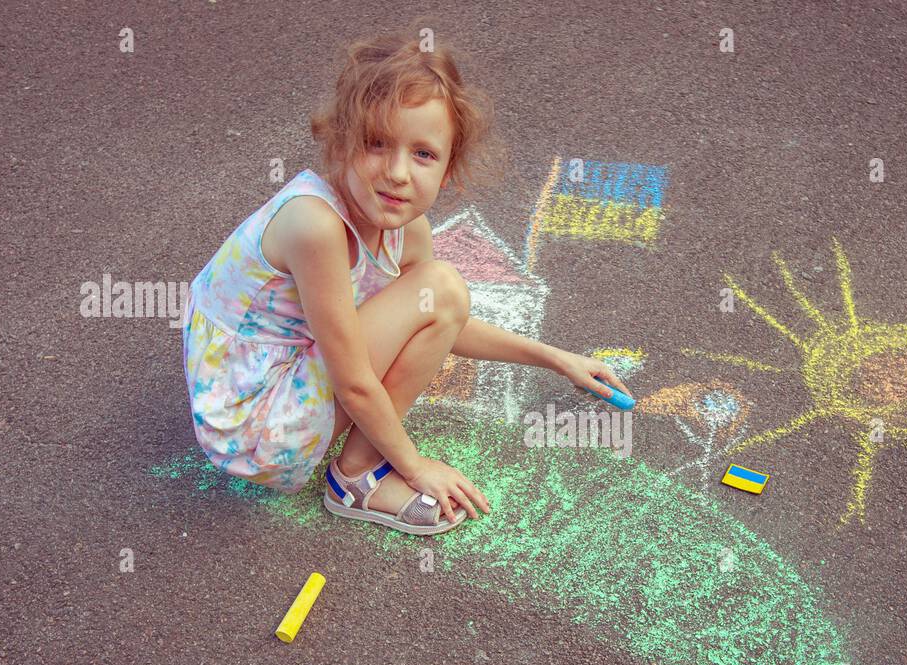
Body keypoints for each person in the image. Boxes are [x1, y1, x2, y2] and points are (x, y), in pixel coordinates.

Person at [182, 30, 630, 534]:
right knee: (440, 285)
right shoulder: (316, 225)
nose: (397, 172)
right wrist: (416, 468)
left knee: (440, 290)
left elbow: (444, 320)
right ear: (342, 140)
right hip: (251, 430)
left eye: (423, 154)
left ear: (449, 167)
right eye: (377, 144)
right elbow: (354, 378)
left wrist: (556, 359)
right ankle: (355, 479)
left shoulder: (405, 227)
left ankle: (358, 462)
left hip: (280, 382)